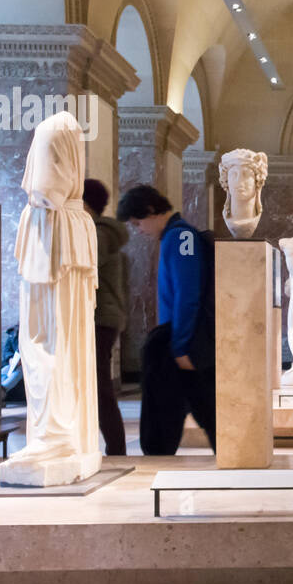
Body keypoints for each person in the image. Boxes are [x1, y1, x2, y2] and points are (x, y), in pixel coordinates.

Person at [116, 185, 216, 455]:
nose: (139, 230)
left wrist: (181, 346)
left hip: (182, 340)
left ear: (150, 211)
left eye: (138, 223)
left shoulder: (180, 236)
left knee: (182, 409)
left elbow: (188, 293)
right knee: (203, 407)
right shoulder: (176, 236)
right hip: (180, 339)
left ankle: (157, 461)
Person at [84, 179, 128, 456]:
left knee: (100, 387)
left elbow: (88, 267)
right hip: (105, 317)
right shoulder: (101, 231)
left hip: (100, 318)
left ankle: (116, 449)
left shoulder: (97, 234)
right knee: (98, 386)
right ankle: (113, 447)